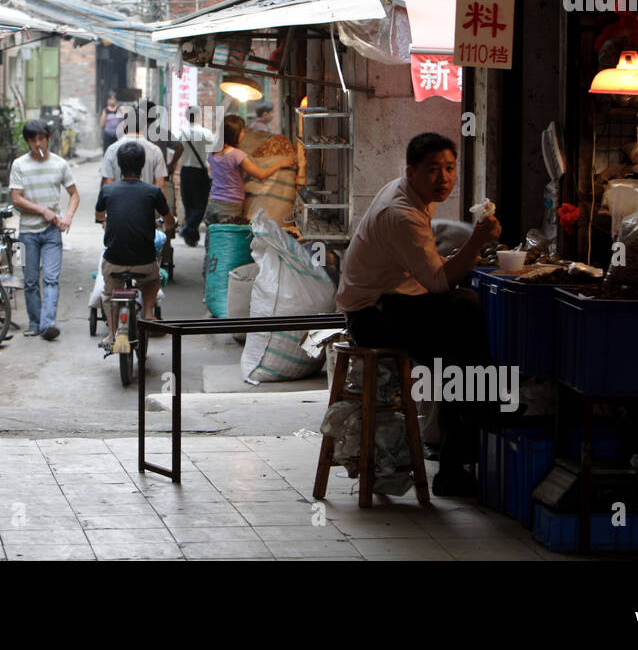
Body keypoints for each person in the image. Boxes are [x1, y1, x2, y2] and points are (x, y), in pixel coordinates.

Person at [335, 132, 504, 498]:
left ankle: (463, 441)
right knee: (464, 312)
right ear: (410, 172)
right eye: (433, 170)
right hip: (371, 315)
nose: (443, 178)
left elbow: (426, 270)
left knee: (458, 352)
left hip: (392, 303)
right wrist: (477, 241)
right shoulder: (402, 213)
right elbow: (439, 282)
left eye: (450, 168)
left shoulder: (411, 195)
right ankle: (478, 419)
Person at [94, 141, 174, 351]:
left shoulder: (108, 190)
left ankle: (112, 334)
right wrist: (168, 224)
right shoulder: (153, 191)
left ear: (119, 166)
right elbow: (169, 218)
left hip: (115, 262)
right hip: (144, 262)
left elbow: (99, 215)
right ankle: (148, 313)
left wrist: (105, 220)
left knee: (109, 294)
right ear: (142, 166)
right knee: (153, 278)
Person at [9, 118, 80, 341]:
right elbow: (16, 199)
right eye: (33, 140)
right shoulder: (19, 165)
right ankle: (34, 322)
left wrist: (67, 216)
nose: (38, 144)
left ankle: (48, 322)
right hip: (27, 232)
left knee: (50, 278)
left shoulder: (60, 164)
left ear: (48, 139)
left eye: (41, 139)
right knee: (30, 281)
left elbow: (74, 195)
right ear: (28, 142)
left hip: (52, 233)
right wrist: (43, 211)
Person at [205, 114, 295, 226]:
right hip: (230, 205)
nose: (243, 134)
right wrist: (279, 164)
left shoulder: (212, 153)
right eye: (242, 132)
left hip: (213, 203)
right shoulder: (237, 155)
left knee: (213, 238)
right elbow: (260, 175)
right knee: (229, 240)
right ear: (235, 134)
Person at [99, 99, 169, 201]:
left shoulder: (112, 149)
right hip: (146, 209)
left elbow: (107, 183)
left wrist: (104, 212)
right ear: (144, 127)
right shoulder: (155, 150)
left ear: (123, 126)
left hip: (118, 208)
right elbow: (161, 185)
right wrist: (162, 213)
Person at [176, 105, 213, 247]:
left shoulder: (182, 134)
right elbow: (215, 150)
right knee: (201, 205)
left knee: (189, 204)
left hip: (185, 171)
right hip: (200, 172)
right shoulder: (206, 133)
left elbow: (178, 153)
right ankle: (189, 230)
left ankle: (190, 233)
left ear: (186, 117)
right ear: (198, 116)